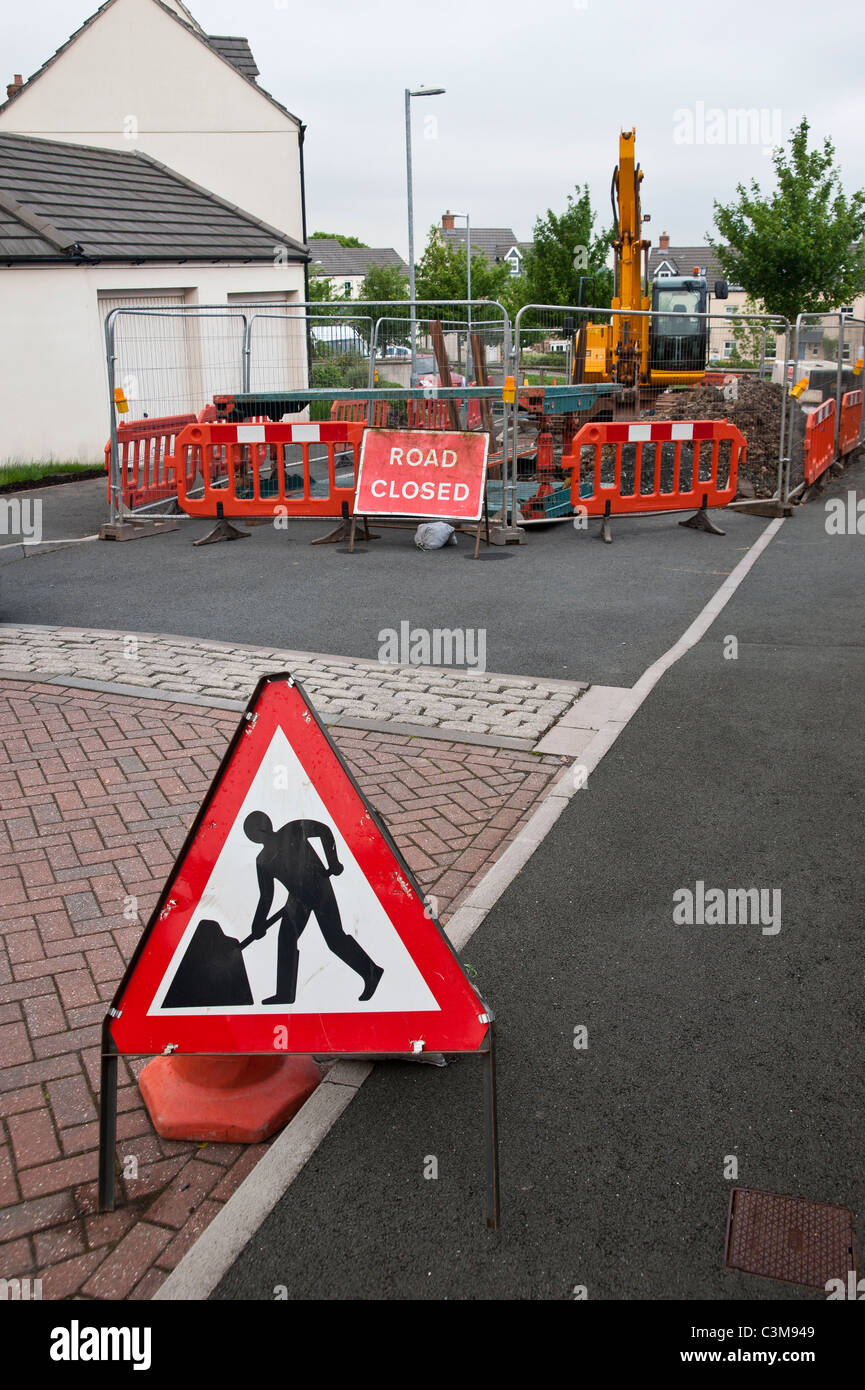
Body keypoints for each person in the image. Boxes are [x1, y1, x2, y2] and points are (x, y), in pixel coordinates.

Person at [243, 811, 383, 1005]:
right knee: (286, 938)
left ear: (261, 829)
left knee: (334, 939)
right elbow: (266, 896)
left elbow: (324, 831)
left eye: (252, 833)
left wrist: (332, 861)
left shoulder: (292, 830)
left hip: (319, 888)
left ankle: (371, 971)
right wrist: (257, 923)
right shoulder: (263, 860)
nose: (254, 838)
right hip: (297, 899)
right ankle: (284, 993)